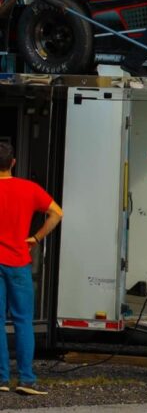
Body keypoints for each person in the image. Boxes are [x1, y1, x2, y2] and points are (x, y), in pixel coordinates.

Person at [0, 141, 63, 396]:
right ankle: (26, 379)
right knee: (23, 321)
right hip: (18, 262)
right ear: (13, 163)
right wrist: (36, 238)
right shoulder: (29, 188)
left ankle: (2, 378)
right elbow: (57, 213)